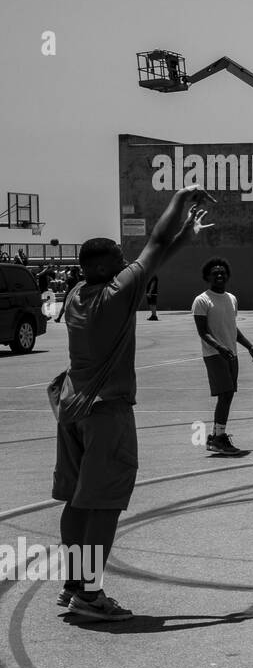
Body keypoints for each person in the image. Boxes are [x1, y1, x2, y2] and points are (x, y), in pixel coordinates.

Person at [53, 185, 214, 620]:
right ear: (106, 267)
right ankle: (89, 594)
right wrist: (181, 199)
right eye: (119, 261)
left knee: (76, 501)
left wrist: (188, 234)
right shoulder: (115, 292)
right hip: (107, 410)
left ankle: (73, 584)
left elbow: (158, 251)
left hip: (72, 408)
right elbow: (155, 245)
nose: (128, 263)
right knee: (104, 503)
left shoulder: (75, 297)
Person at [193, 257, 253, 456]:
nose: (220, 275)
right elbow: (202, 331)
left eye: (223, 272)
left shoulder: (231, 298)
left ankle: (216, 435)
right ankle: (219, 439)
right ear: (207, 277)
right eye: (215, 273)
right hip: (215, 354)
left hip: (231, 354)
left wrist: (249, 346)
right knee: (224, 395)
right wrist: (220, 347)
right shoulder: (202, 300)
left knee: (229, 395)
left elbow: (233, 328)